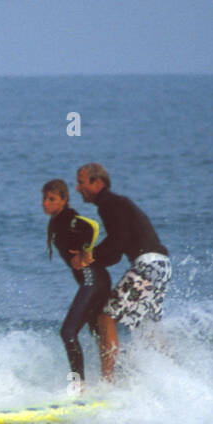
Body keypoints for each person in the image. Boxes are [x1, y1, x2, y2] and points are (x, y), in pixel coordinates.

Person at [74, 163, 170, 382]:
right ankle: (170, 372)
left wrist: (89, 256)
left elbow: (118, 242)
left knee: (106, 318)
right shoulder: (118, 202)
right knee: (149, 325)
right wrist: (97, 257)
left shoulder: (107, 204)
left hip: (147, 265)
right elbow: (117, 250)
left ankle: (108, 384)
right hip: (162, 265)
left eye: (81, 183)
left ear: (97, 183)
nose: (78, 189)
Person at [42, 179, 112, 390]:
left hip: (92, 279)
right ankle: (124, 375)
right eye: (44, 198)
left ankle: (78, 385)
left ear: (64, 199)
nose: (46, 203)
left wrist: (85, 251)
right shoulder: (57, 220)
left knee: (68, 332)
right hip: (97, 279)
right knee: (97, 333)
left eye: (52, 199)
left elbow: (92, 227)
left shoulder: (67, 218)